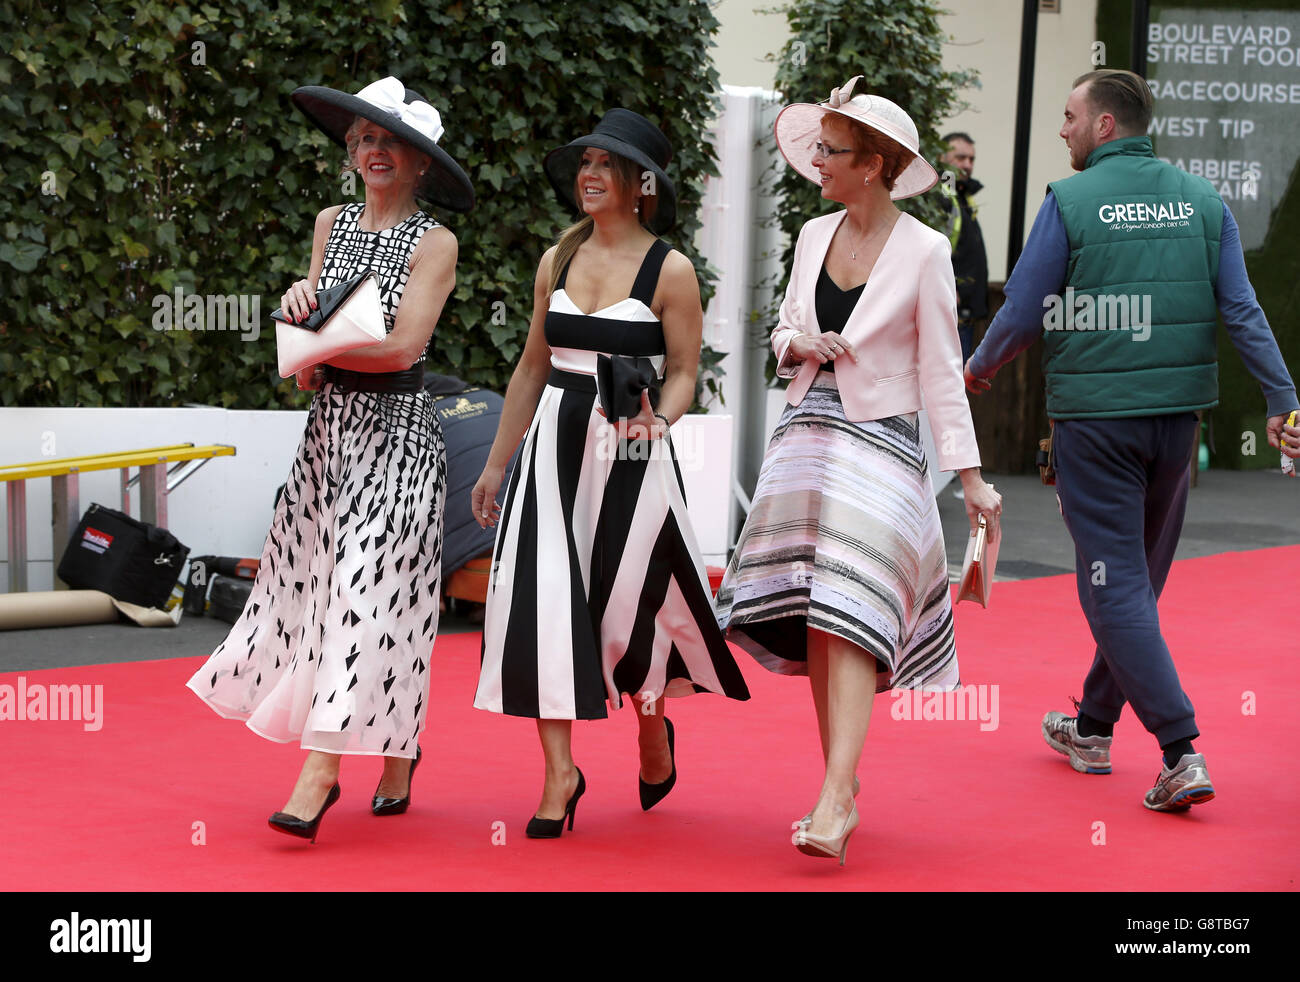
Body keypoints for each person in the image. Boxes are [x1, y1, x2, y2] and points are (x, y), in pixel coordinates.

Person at [964, 69, 1299, 811]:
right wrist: (1281, 397)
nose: (1062, 129)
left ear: (1106, 125)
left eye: (1069, 115)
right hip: (1177, 424)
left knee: (1110, 585)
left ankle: (1180, 751)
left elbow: (1023, 307)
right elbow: (1240, 308)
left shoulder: (1071, 200)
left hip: (1095, 423)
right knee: (1134, 584)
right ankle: (1090, 726)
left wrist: (979, 368)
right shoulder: (1204, 199)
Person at [715, 77, 1001, 865]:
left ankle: (837, 795)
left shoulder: (928, 250)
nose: (816, 162)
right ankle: (839, 783)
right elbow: (785, 327)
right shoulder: (812, 234)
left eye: (830, 151)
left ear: (872, 164)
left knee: (851, 608)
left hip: (882, 443)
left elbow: (944, 370)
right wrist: (797, 344)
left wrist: (970, 477)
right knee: (816, 614)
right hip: (807, 435)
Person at [186, 76, 473, 842]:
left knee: (373, 596)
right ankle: (398, 745)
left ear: (419, 163)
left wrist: (313, 346)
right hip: (330, 434)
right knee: (324, 593)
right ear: (351, 153)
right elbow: (317, 325)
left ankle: (320, 774)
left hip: (400, 438)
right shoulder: (329, 222)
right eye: (363, 140)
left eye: (390, 142)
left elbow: (404, 346)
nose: (373, 151)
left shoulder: (435, 241)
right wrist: (299, 320)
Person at [471, 109, 751, 838]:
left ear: (642, 182)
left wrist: (661, 420)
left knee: (636, 610)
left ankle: (652, 728)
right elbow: (533, 366)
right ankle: (560, 774)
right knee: (546, 604)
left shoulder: (673, 269)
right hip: (551, 451)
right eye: (584, 161)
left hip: (629, 451)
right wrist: (498, 464)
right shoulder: (556, 259)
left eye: (607, 163)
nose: (589, 174)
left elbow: (687, 371)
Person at [937, 132, 989, 364]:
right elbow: (936, 245)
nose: (967, 165)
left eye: (972, 159)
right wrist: (948, 288)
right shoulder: (942, 193)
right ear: (941, 157)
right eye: (961, 158)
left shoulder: (962, 195)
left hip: (964, 312)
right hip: (949, 312)